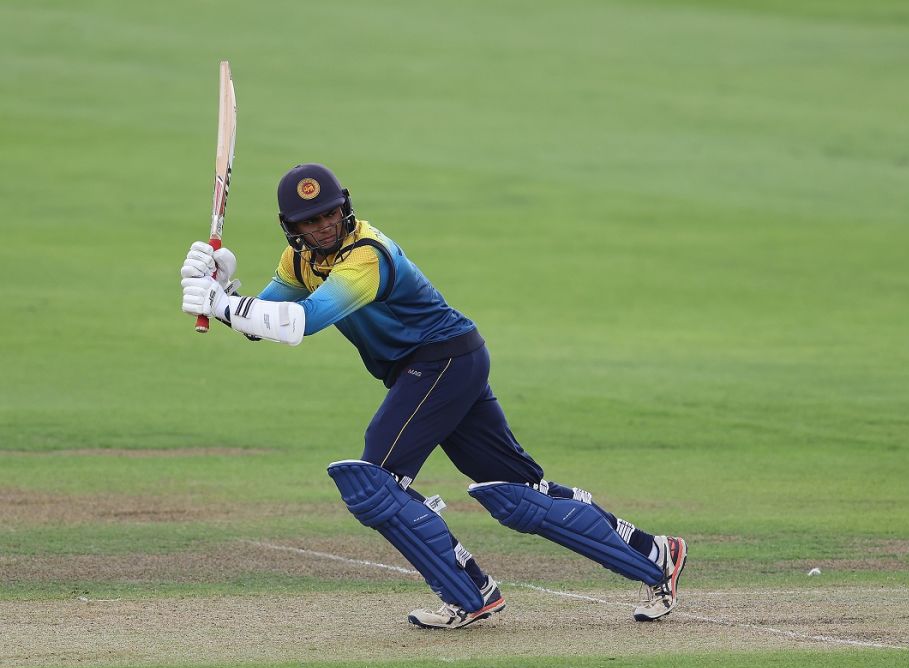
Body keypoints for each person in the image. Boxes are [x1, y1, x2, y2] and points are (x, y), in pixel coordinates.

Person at [180, 163, 687, 629]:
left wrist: (224, 304)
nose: (323, 226)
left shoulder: (366, 256)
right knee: (515, 494)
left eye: (330, 213)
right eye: (310, 221)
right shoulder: (299, 259)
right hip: (444, 363)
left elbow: (301, 324)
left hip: (441, 361)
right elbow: (261, 321)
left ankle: (468, 593)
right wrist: (225, 285)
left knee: (374, 482)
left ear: (345, 206)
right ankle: (657, 555)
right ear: (292, 226)